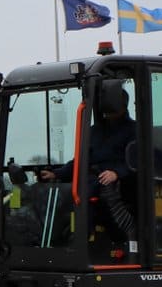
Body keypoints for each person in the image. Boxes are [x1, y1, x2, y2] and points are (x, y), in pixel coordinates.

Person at [40, 80, 138, 242]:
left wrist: (117, 173)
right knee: (56, 196)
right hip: (91, 181)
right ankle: (51, 243)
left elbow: (139, 161)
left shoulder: (134, 130)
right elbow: (80, 161)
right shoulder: (95, 131)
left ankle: (81, 243)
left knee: (84, 198)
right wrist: (55, 174)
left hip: (116, 185)